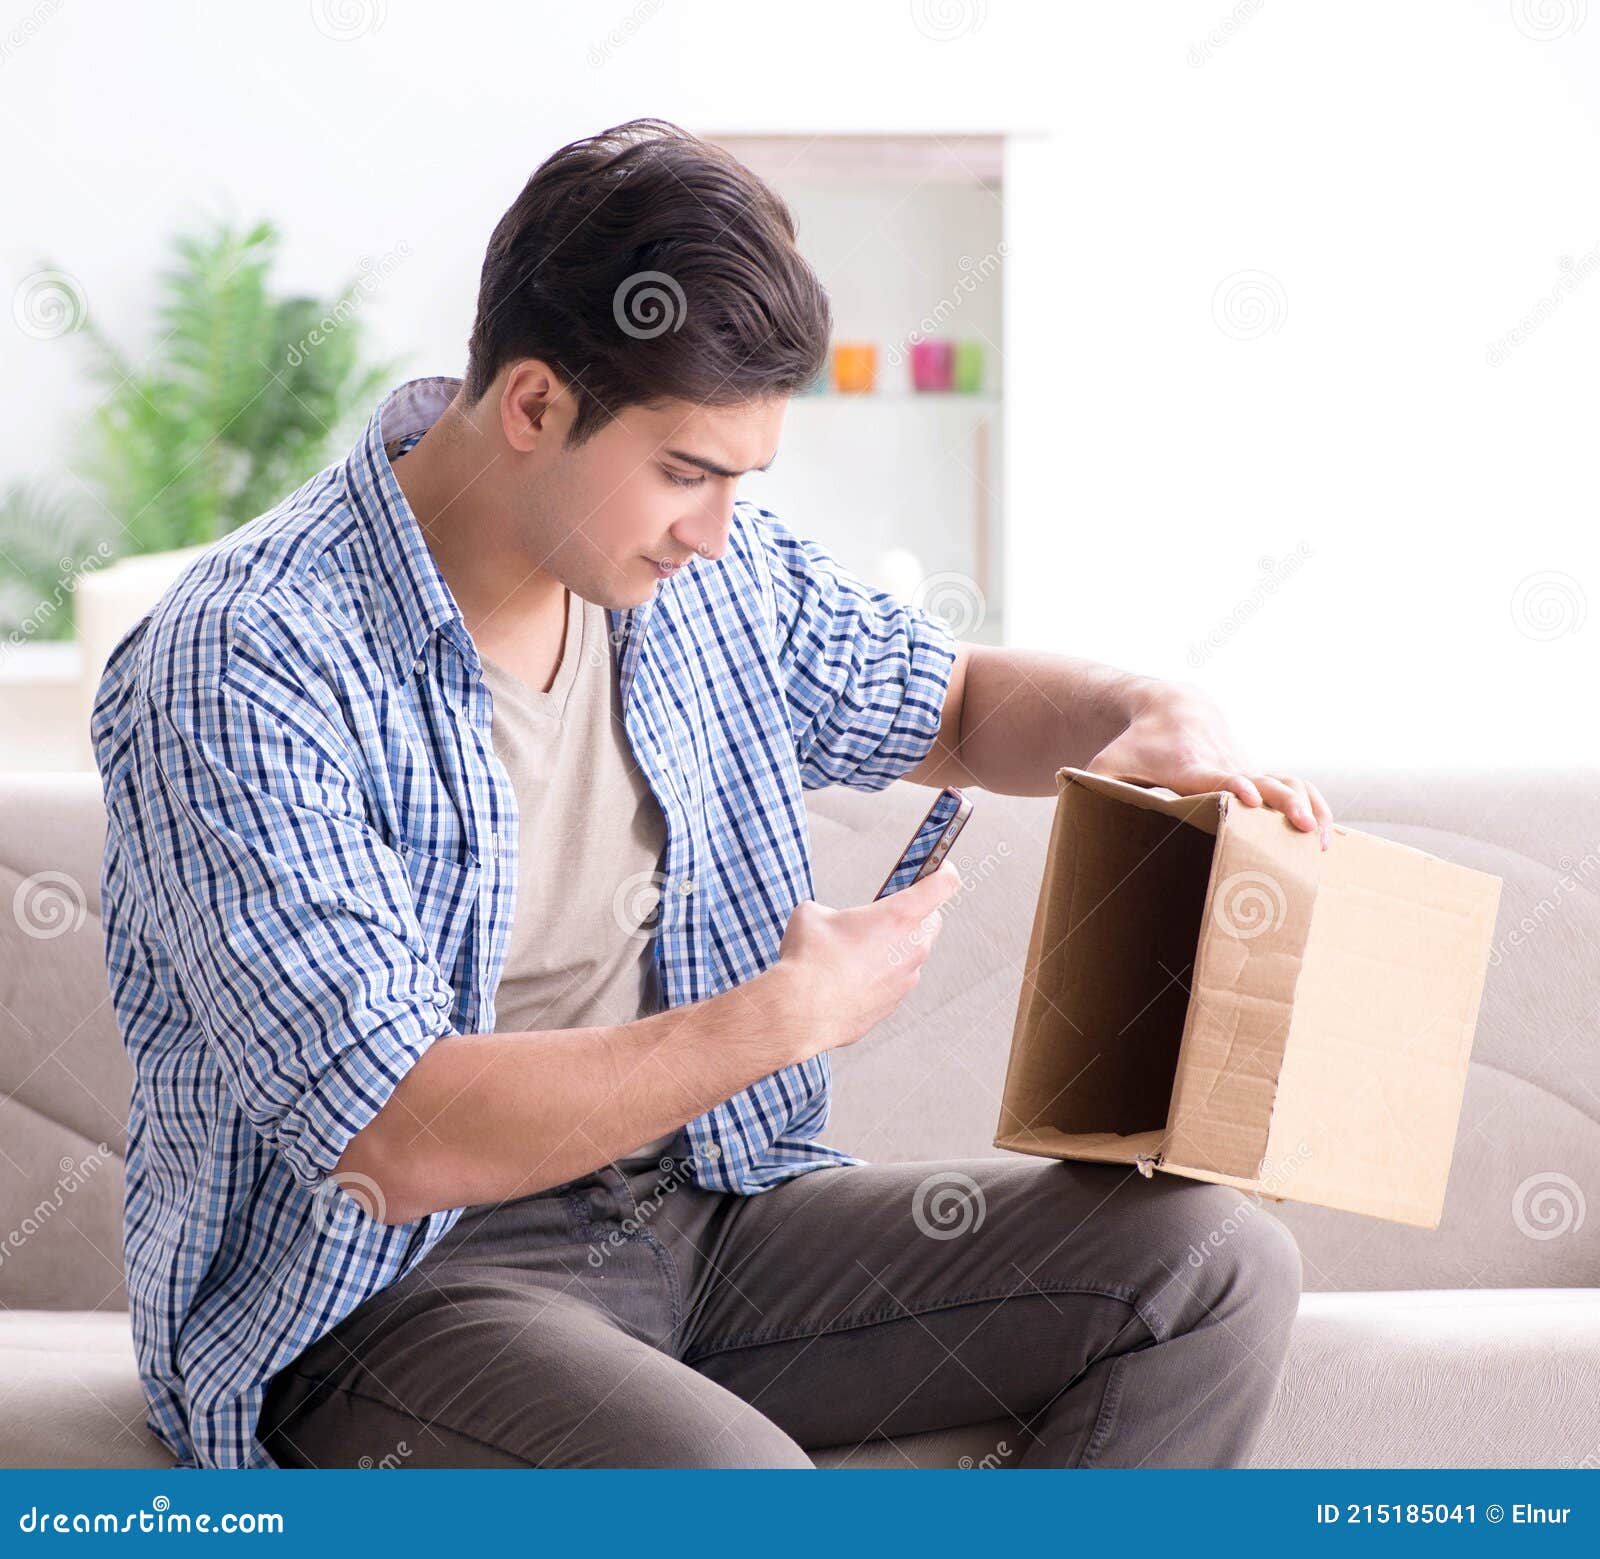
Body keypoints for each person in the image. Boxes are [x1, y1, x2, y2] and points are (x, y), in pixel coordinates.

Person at [92, 119, 1331, 1471]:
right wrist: (779, 1018)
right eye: (686, 473)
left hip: (707, 1211)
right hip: (399, 1285)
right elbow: (391, 1135)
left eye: (741, 480)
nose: (715, 528)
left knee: (1212, 1262)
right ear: (533, 406)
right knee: (732, 1490)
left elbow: (960, 707)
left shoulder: (703, 573)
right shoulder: (247, 658)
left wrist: (1150, 713)